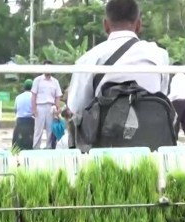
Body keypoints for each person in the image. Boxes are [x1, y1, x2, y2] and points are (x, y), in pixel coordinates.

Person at [68, 0, 176, 151]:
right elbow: (162, 95)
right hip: (152, 146)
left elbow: (76, 107)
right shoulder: (159, 56)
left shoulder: (88, 59)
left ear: (105, 25)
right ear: (138, 25)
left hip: (104, 151)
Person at [32, 62, 63, 149]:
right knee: (38, 129)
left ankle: (49, 147)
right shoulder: (37, 80)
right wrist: (34, 109)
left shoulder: (55, 82)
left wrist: (57, 109)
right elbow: (34, 95)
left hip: (51, 107)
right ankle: (36, 147)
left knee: (50, 129)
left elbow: (57, 96)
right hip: (40, 106)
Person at [169, 71, 185, 145]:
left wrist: (167, 99)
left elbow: (173, 93)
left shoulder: (175, 79)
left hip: (177, 102)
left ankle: (174, 144)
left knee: (175, 124)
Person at [13, 79, 35, 150]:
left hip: (20, 120)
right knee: (30, 139)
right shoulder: (34, 97)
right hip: (30, 120)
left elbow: (15, 110)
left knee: (17, 141)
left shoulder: (18, 97)